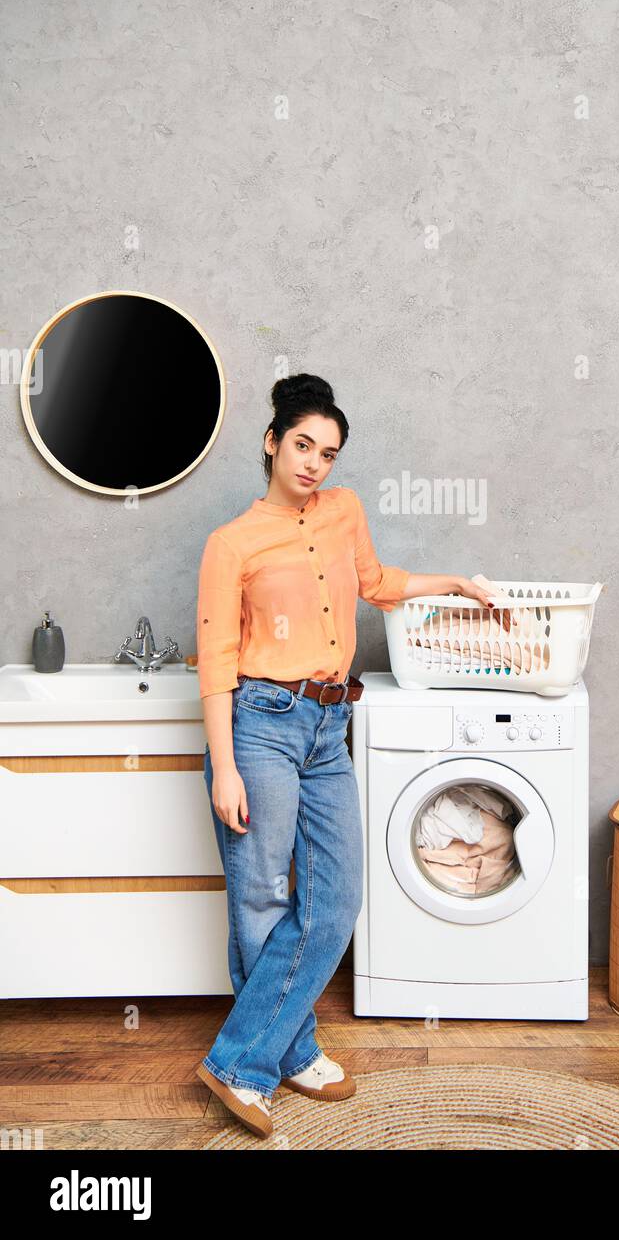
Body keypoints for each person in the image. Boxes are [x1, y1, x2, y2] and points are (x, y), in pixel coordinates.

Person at [193, 372, 498, 1139]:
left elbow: (378, 582)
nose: (314, 465)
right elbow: (216, 657)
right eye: (302, 445)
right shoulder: (232, 542)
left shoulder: (345, 511)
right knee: (262, 900)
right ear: (271, 442)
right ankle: (279, 1056)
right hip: (260, 722)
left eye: (327, 454)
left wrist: (456, 582)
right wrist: (224, 765)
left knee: (334, 899)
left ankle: (250, 1057)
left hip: (330, 728)